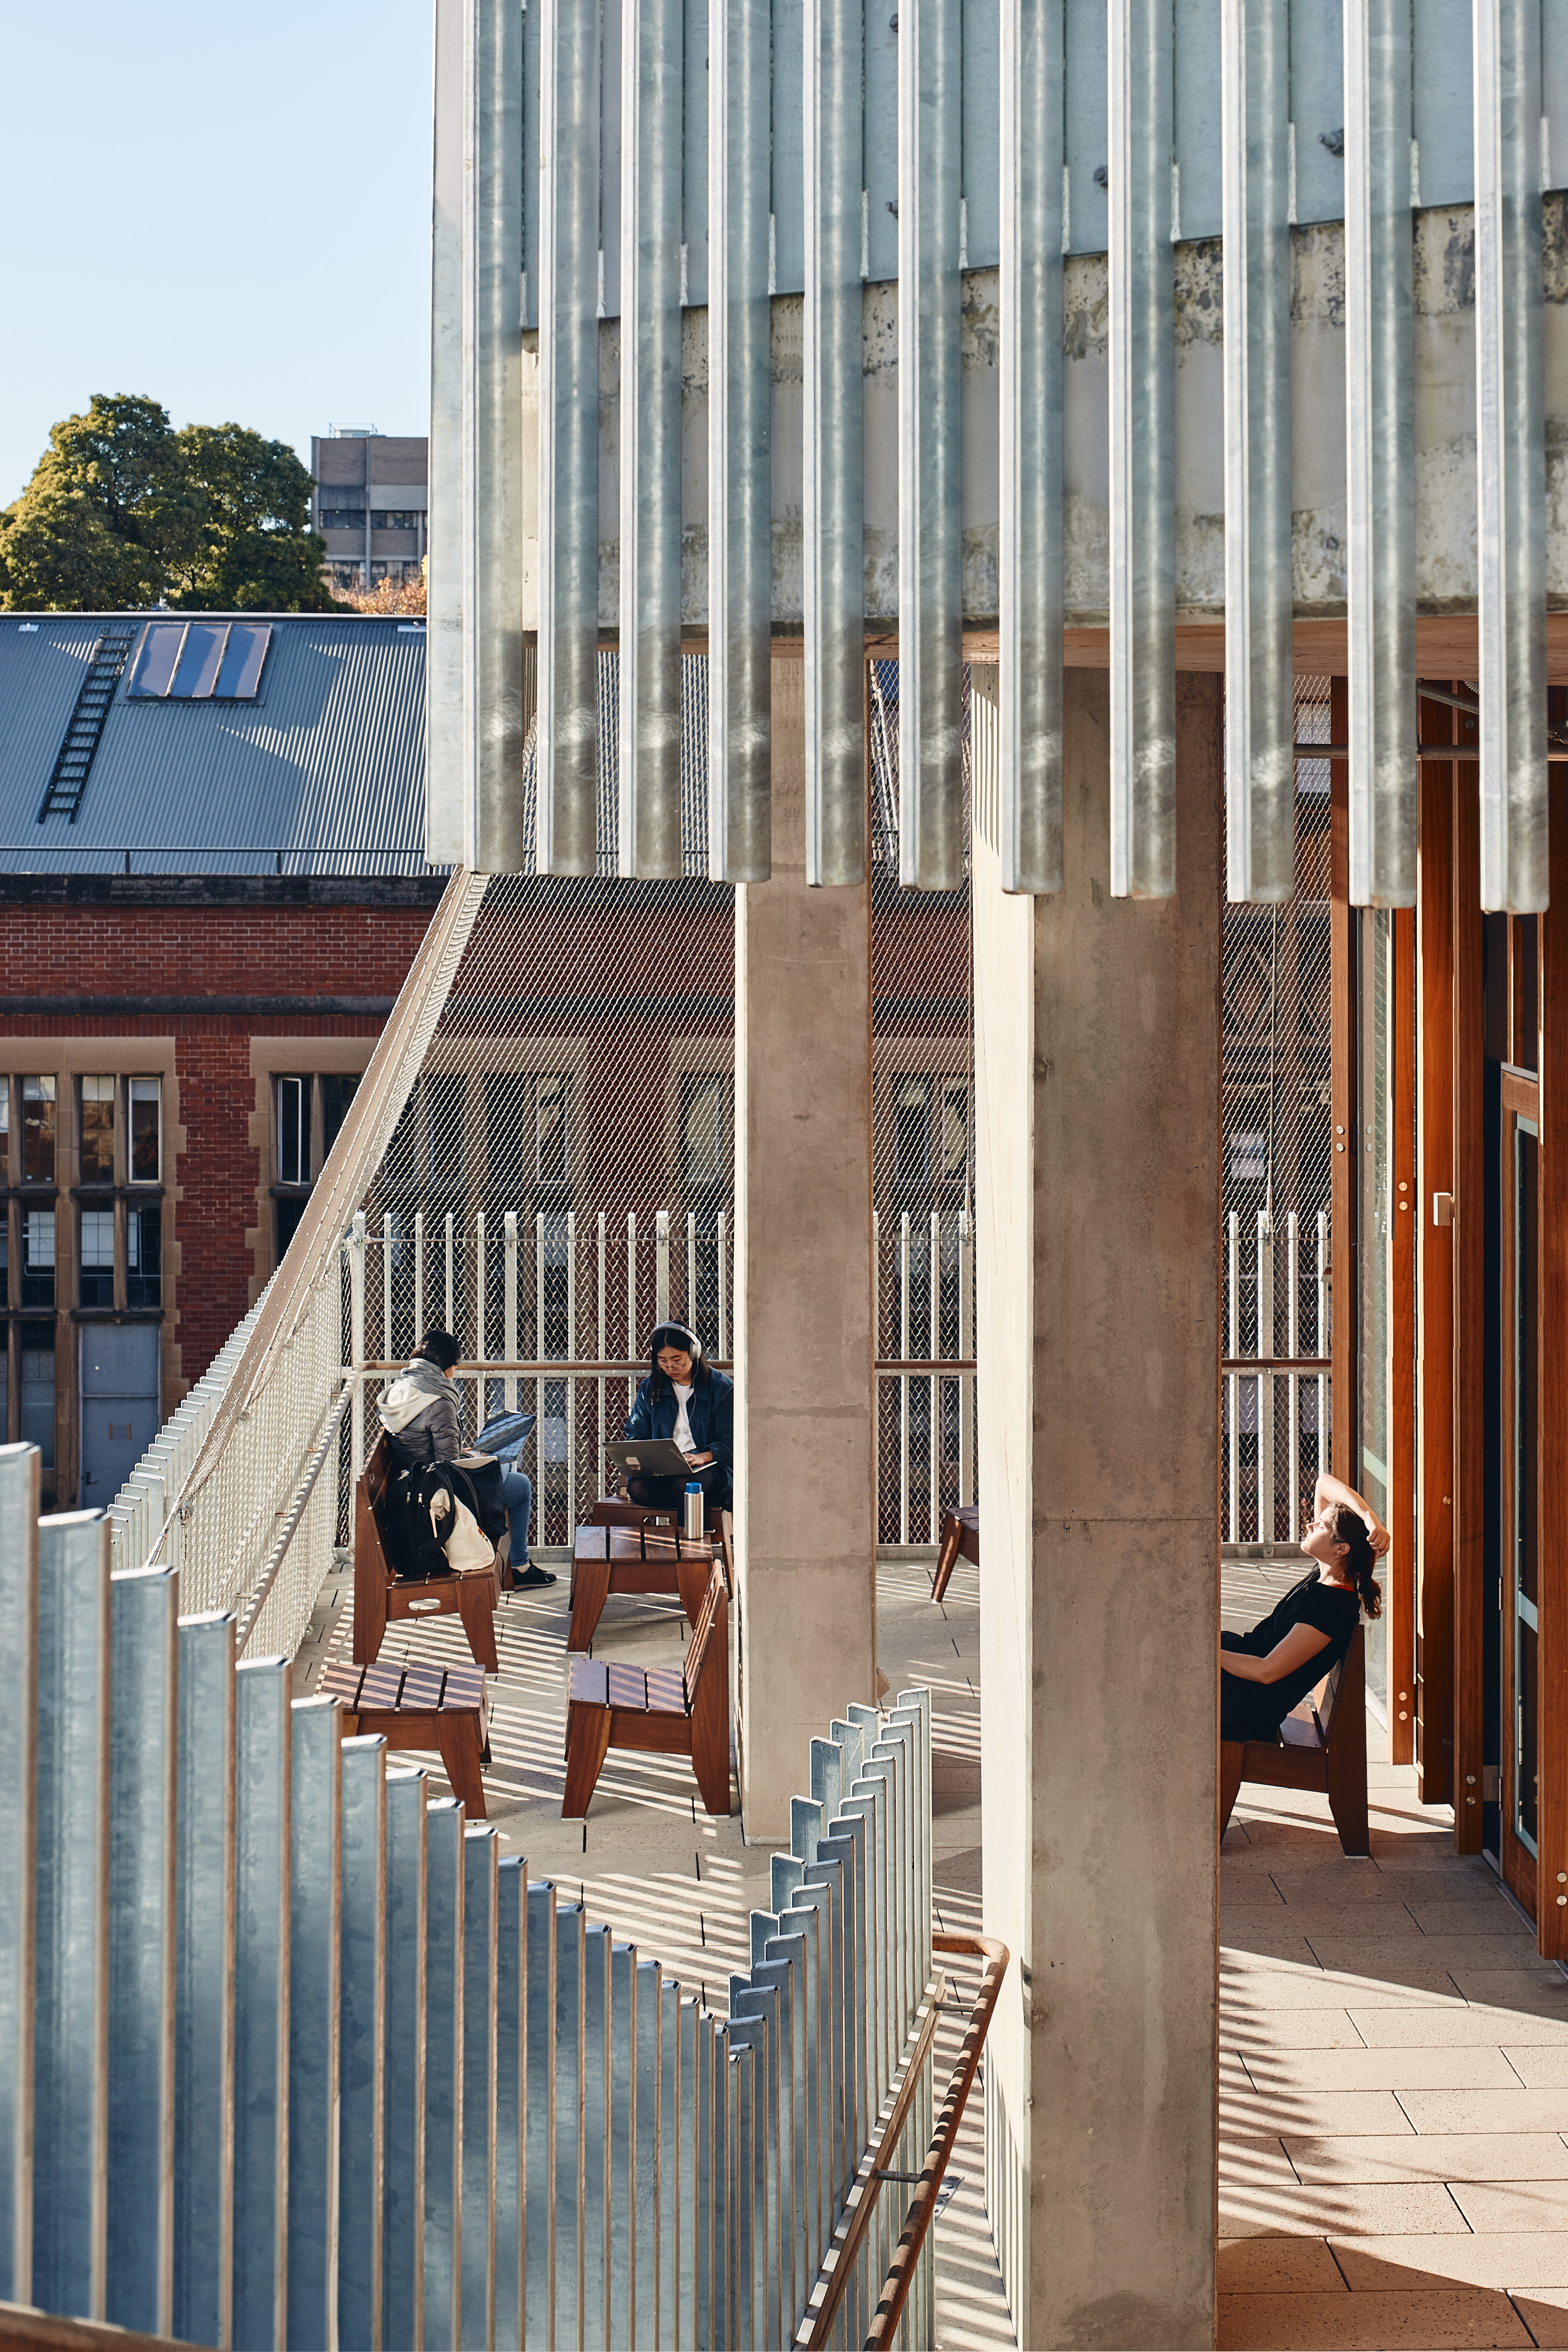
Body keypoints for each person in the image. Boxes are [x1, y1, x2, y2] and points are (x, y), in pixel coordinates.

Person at [1220, 1469, 1389, 1742]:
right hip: (1243, 1687)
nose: (1310, 1525)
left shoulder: (1332, 1607)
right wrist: (1371, 1520)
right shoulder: (1324, 1575)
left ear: (1342, 1549)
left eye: (1320, 1525)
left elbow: (1267, 1671)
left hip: (1247, 1706)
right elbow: (1323, 1483)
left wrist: (1205, 1656)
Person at [379, 1330, 556, 1589]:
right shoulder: (438, 1402)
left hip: (414, 1486)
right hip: (439, 1499)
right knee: (506, 1468)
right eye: (455, 1367)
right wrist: (480, 1458)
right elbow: (448, 1469)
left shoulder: (399, 1391)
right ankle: (519, 1565)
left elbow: (426, 1451)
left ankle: (520, 1565)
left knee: (518, 1484)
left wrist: (470, 1456)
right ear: (446, 1367)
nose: (455, 1373)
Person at [621, 1322, 734, 1512]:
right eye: (662, 1361)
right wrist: (644, 1457)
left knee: (686, 1486)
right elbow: (636, 1432)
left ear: (694, 1353)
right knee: (638, 1489)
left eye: (677, 1359)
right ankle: (696, 1512)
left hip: (710, 1466)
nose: (671, 1367)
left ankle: (689, 1537)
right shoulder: (650, 1388)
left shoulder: (721, 1388)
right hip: (666, 1469)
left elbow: (732, 1441)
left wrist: (702, 1457)